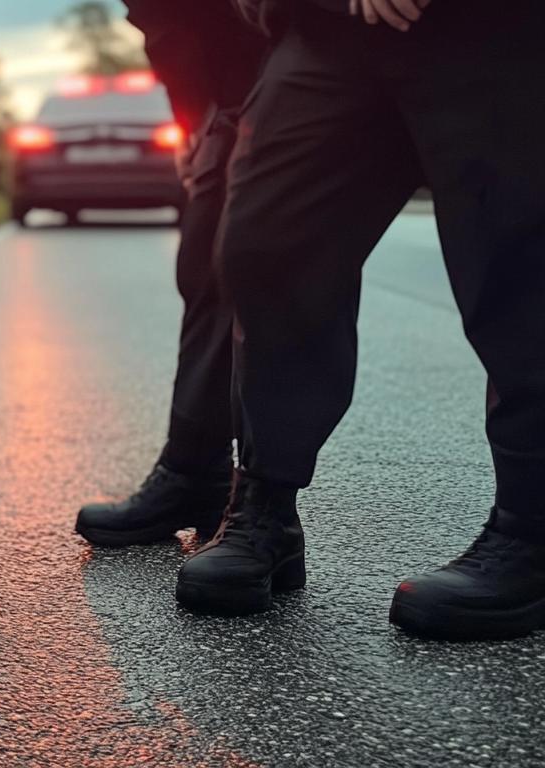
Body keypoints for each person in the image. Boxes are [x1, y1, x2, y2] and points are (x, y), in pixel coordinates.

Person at [177, 0, 545, 641]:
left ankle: (531, 525)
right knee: (267, 241)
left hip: (501, 26)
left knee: (514, 256)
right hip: (330, 30)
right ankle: (264, 508)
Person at [75, 1, 268, 547]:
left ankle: (266, 507)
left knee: (271, 272)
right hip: (234, 88)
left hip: (337, 49)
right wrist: (192, 116)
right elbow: (166, 21)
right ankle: (197, 473)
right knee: (208, 263)